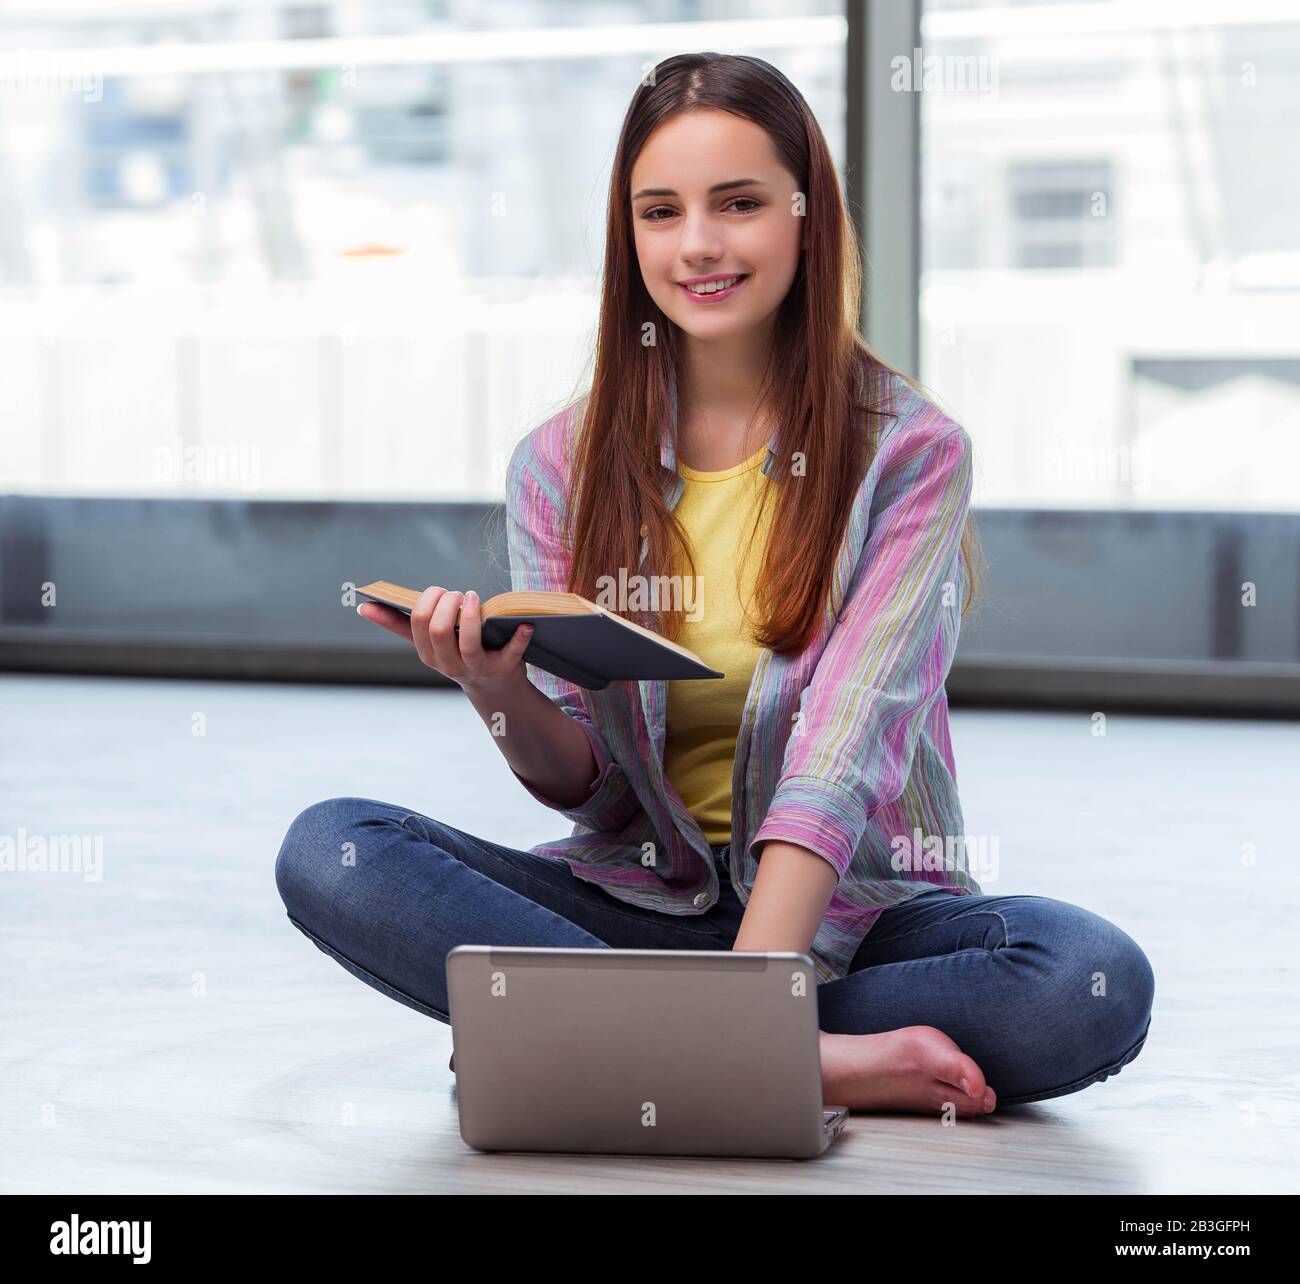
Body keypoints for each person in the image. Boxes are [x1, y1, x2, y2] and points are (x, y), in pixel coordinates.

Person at [276, 52, 1154, 1116]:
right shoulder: (556, 465)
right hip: (644, 898)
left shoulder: (910, 453)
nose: (696, 245)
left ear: (803, 214)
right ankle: (808, 1060)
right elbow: (590, 792)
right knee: (336, 850)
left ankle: (594, 1041)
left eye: (736, 203)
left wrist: (753, 997)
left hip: (856, 917)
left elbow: (843, 748)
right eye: (660, 212)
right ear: (628, 233)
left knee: (1081, 980)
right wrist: (497, 692)